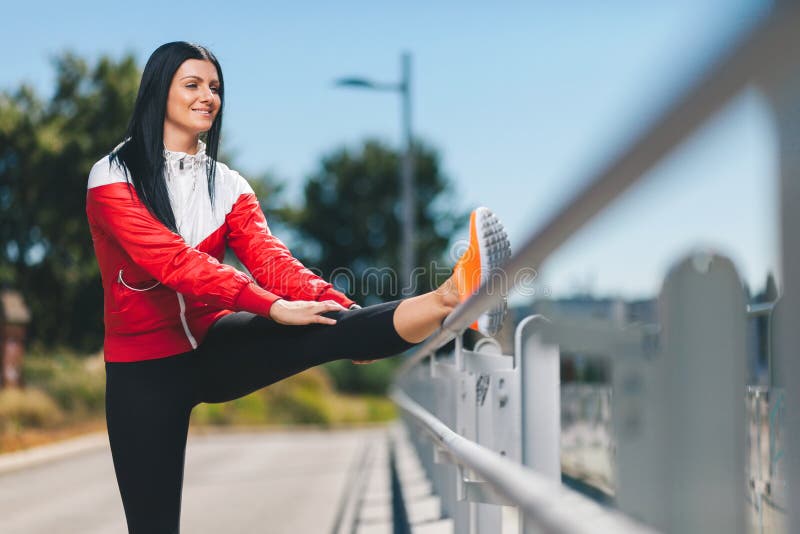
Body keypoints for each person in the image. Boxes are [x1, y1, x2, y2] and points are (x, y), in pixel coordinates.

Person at [86, 41, 510, 534]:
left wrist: (345, 313)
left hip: (214, 345)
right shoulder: (113, 175)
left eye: (215, 87)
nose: (208, 97)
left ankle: (458, 293)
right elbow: (173, 263)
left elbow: (272, 261)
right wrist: (271, 306)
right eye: (193, 85)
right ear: (159, 91)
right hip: (143, 373)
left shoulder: (228, 185)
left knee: (330, 325)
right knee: (153, 526)